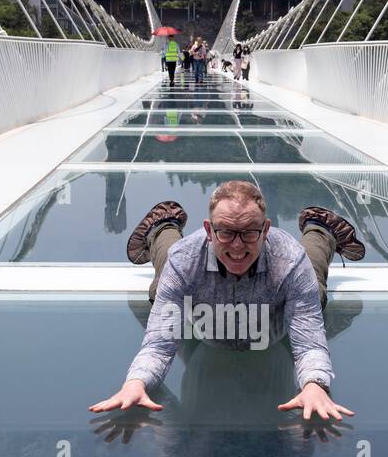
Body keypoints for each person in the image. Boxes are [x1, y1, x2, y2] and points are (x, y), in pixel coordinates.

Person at [89, 180, 365, 423]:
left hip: (272, 330)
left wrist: (316, 384)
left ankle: (321, 229)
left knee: (314, 292)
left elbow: (308, 344)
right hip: (203, 331)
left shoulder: (291, 260)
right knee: (162, 285)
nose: (236, 245)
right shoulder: (184, 260)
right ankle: (162, 226)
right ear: (209, 230)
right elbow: (160, 345)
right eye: (225, 232)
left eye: (249, 232)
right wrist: (136, 382)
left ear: (266, 229)